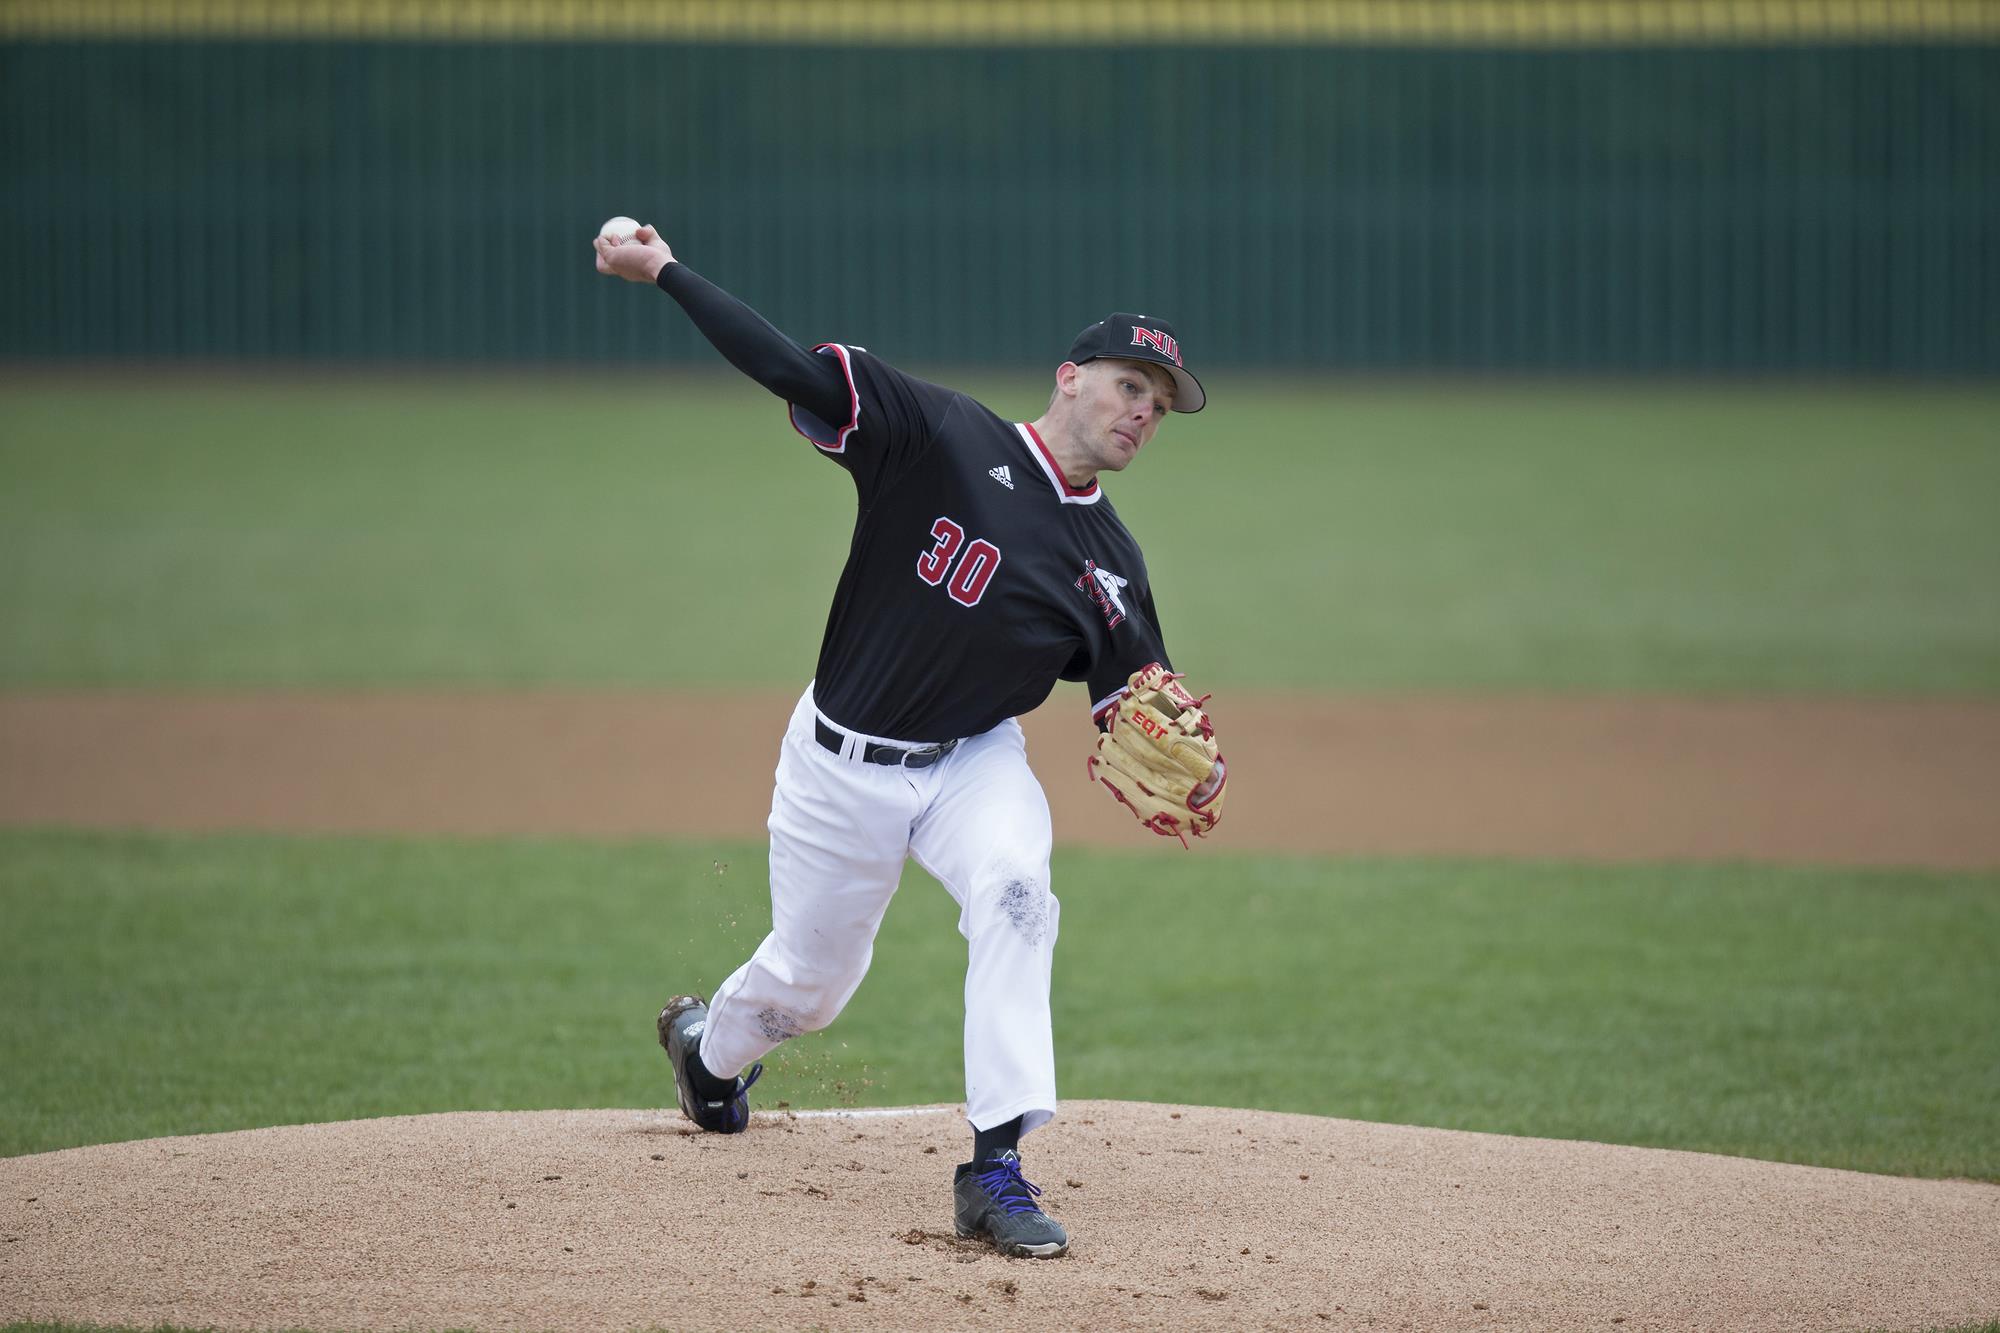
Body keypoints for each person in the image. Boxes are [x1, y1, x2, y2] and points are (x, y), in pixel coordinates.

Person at [595, 221, 1225, 1259]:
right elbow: (785, 367)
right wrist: (664, 272)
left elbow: (1133, 703)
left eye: (1157, 405)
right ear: (1069, 379)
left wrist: (1191, 771)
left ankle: (993, 1168)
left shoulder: (1112, 563)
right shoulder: (937, 433)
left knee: (1019, 893)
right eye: (1127, 386)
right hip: (838, 764)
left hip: (973, 764)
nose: (1141, 413)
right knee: (809, 984)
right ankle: (708, 1052)